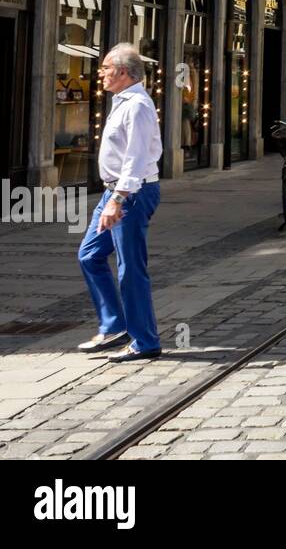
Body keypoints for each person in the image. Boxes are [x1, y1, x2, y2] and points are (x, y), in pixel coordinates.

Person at [76, 44, 164, 361]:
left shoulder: (137, 105)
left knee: (130, 269)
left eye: (105, 68)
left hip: (131, 194)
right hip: (114, 193)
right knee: (89, 255)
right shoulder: (122, 101)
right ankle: (114, 326)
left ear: (123, 72)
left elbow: (136, 158)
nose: (100, 74)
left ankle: (145, 341)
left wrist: (118, 199)